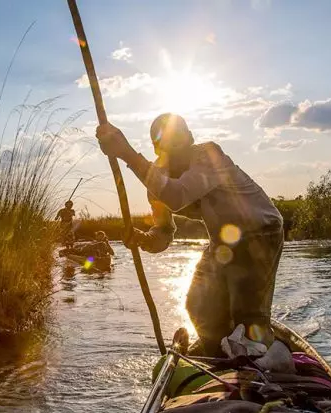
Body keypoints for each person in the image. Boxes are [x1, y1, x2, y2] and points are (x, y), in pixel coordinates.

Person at [96, 113, 293, 371]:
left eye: (180, 137)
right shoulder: (156, 180)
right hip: (223, 240)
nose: (175, 145)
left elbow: (177, 196)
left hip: (259, 230)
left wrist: (126, 154)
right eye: (166, 140)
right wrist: (143, 239)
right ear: (157, 148)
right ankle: (224, 359)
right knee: (197, 305)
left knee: (247, 317)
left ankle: (277, 355)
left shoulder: (208, 155)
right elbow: (164, 233)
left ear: (190, 138)